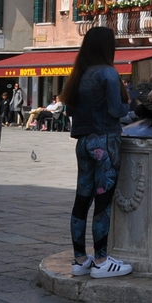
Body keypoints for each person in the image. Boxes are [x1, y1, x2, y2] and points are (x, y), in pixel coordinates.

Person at [60, 26, 132, 279]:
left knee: (82, 200)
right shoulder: (108, 73)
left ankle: (80, 259)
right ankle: (101, 260)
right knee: (103, 202)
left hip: (83, 143)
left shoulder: (78, 75)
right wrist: (128, 104)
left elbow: (71, 111)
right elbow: (115, 110)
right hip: (105, 141)